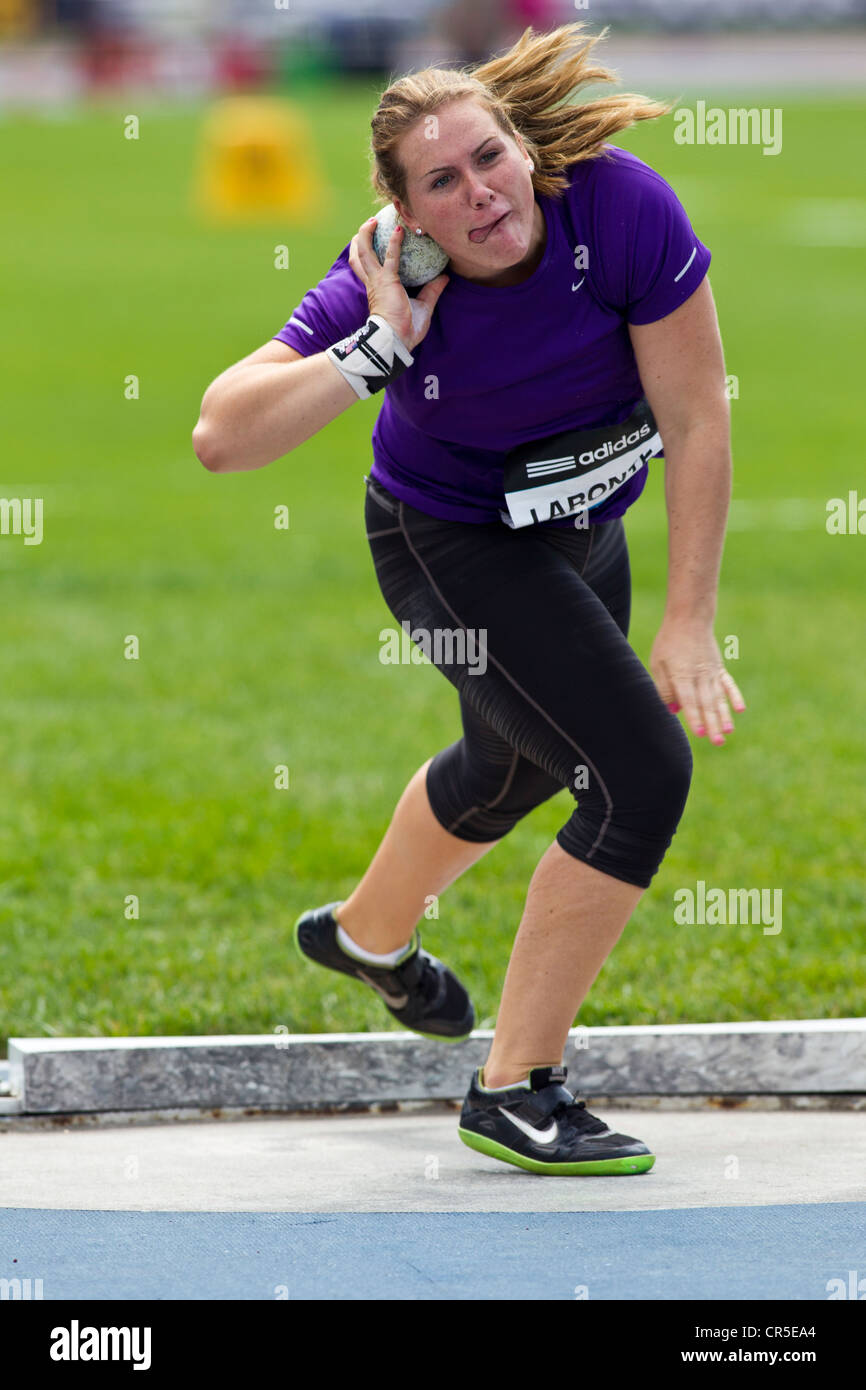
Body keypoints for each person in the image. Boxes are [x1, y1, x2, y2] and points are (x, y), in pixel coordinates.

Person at [192, 22, 746, 1176]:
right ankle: (514, 1087)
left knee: (516, 763)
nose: (479, 193)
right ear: (405, 214)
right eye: (441, 182)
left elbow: (696, 418)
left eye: (488, 158)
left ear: (522, 150)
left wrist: (686, 619)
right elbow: (219, 437)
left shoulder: (621, 209)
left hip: (580, 530)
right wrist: (374, 349)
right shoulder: (385, 280)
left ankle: (364, 936)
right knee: (637, 775)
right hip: (447, 544)